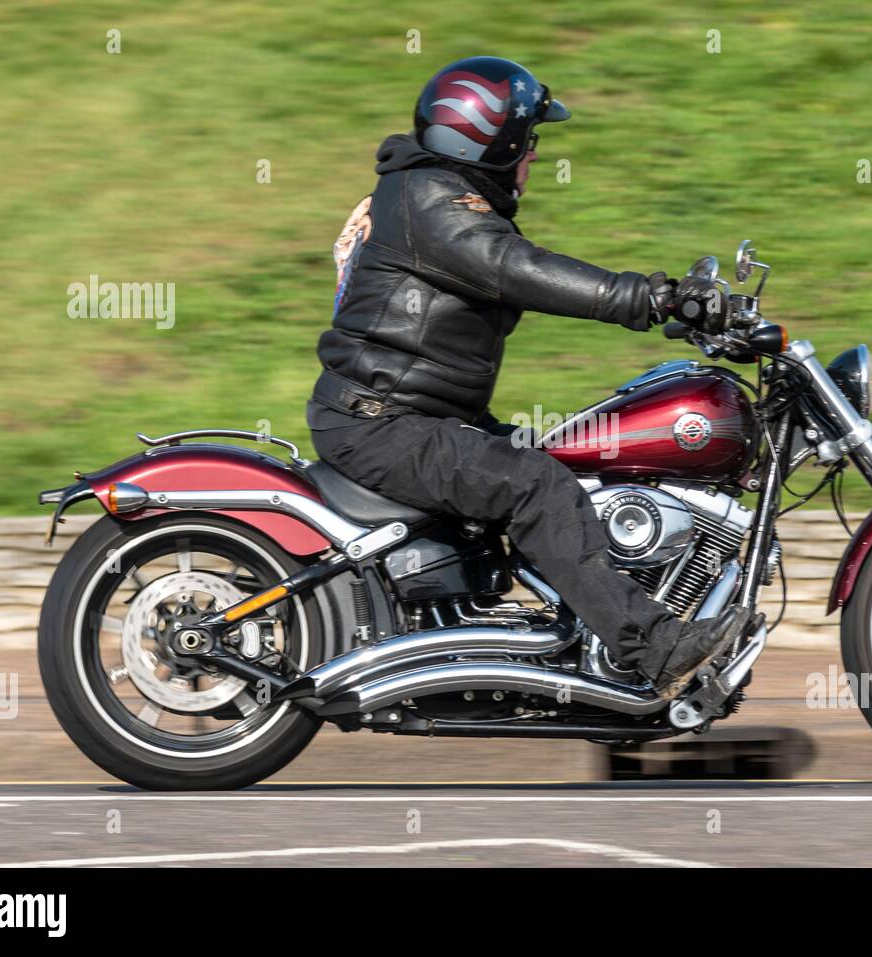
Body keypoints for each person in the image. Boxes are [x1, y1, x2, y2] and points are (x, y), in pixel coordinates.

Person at [308, 55, 746, 695]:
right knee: (535, 484)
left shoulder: (425, 194)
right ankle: (651, 648)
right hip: (383, 422)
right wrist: (655, 299)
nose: (535, 156)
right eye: (529, 140)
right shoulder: (431, 203)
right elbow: (518, 267)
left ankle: (578, 654)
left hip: (409, 415)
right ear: (491, 138)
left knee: (575, 459)